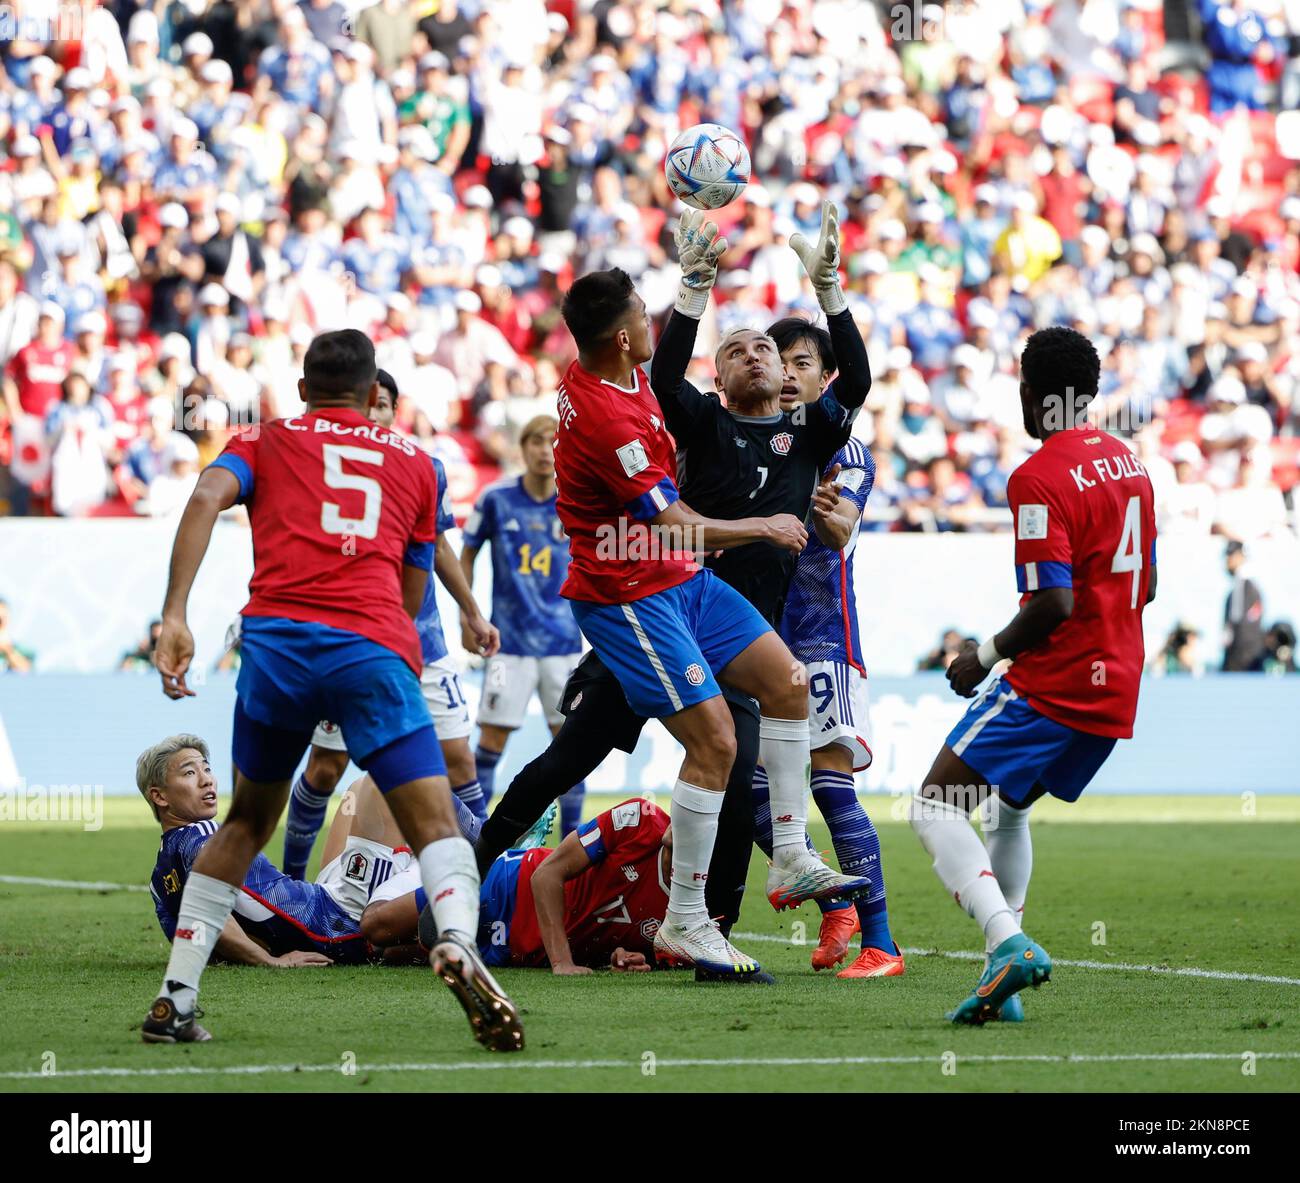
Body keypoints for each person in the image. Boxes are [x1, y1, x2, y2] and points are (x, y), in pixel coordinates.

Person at [141, 330, 522, 1052]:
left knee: (246, 822)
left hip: (277, 647)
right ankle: (461, 948)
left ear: (303, 389)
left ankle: (176, 996)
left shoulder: (265, 439)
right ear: (372, 391)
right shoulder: (418, 462)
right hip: (372, 647)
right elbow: (413, 589)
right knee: (438, 824)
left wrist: (175, 613)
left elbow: (202, 497)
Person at [548, 263, 866, 981]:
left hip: (676, 576)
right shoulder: (610, 417)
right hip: (631, 589)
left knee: (785, 682)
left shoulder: (615, 372)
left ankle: (790, 853)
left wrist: (693, 287)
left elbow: (663, 369)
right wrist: (764, 526)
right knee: (717, 739)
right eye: (643, 314)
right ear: (624, 335)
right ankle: (687, 921)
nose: (650, 323)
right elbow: (674, 523)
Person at [909, 326, 1157, 1024]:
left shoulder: (1038, 476)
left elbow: (1053, 601)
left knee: (933, 805)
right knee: (1008, 805)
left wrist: (982, 657)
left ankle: (1006, 939)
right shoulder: (1129, 463)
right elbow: (1151, 581)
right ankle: (1004, 982)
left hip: (1059, 680)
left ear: (1028, 391)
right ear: (1092, 391)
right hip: (1121, 682)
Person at [279, 369, 499, 880]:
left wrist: (470, 609)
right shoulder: (322, 469)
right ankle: (292, 884)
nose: (373, 413)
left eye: (383, 405)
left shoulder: (424, 468)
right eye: (367, 403)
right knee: (326, 768)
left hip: (421, 644)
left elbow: (439, 544)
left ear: (392, 411)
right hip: (348, 642)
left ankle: (492, 876)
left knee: (459, 762)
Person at [760, 315, 903, 979]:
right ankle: (832, 898)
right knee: (748, 789)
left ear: (825, 378)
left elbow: (843, 526)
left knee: (830, 784)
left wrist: (819, 508)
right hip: (757, 642)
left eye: (802, 362)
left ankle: (882, 943)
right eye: (778, 360)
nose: (787, 373)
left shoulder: (843, 452)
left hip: (822, 639)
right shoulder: (756, 443)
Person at [141, 735, 486, 967]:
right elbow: (209, 912)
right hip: (340, 920)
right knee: (381, 779)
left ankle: (418, 861)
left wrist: (260, 949)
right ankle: (488, 840)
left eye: (206, 768)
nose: (207, 780)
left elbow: (193, 938)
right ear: (160, 796)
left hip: (321, 898)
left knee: (352, 796)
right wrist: (271, 961)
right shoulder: (203, 834)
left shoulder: (159, 880)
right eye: (190, 773)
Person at [363, 797, 671, 975]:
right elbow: (546, 876)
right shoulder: (641, 821)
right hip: (511, 887)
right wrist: (562, 962)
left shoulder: (701, 906)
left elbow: (638, 949)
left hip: (522, 950)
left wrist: (621, 955)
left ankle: (453, 856)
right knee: (375, 927)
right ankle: (420, 862)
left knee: (386, 954)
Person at [459, 415, 586, 834]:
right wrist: (468, 614)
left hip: (563, 643)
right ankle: (476, 836)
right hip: (507, 645)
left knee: (571, 745)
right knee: (490, 744)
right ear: (522, 447)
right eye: (535, 441)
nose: (544, 450)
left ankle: (570, 840)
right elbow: (466, 554)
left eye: (553, 441)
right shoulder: (496, 499)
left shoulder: (578, 498)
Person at [1222, 539, 1266, 671]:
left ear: (1241, 556)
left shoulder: (1250, 589)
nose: (1228, 560)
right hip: (1236, 657)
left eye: (1231, 555)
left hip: (1247, 660)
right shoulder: (1234, 591)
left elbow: (1250, 627)